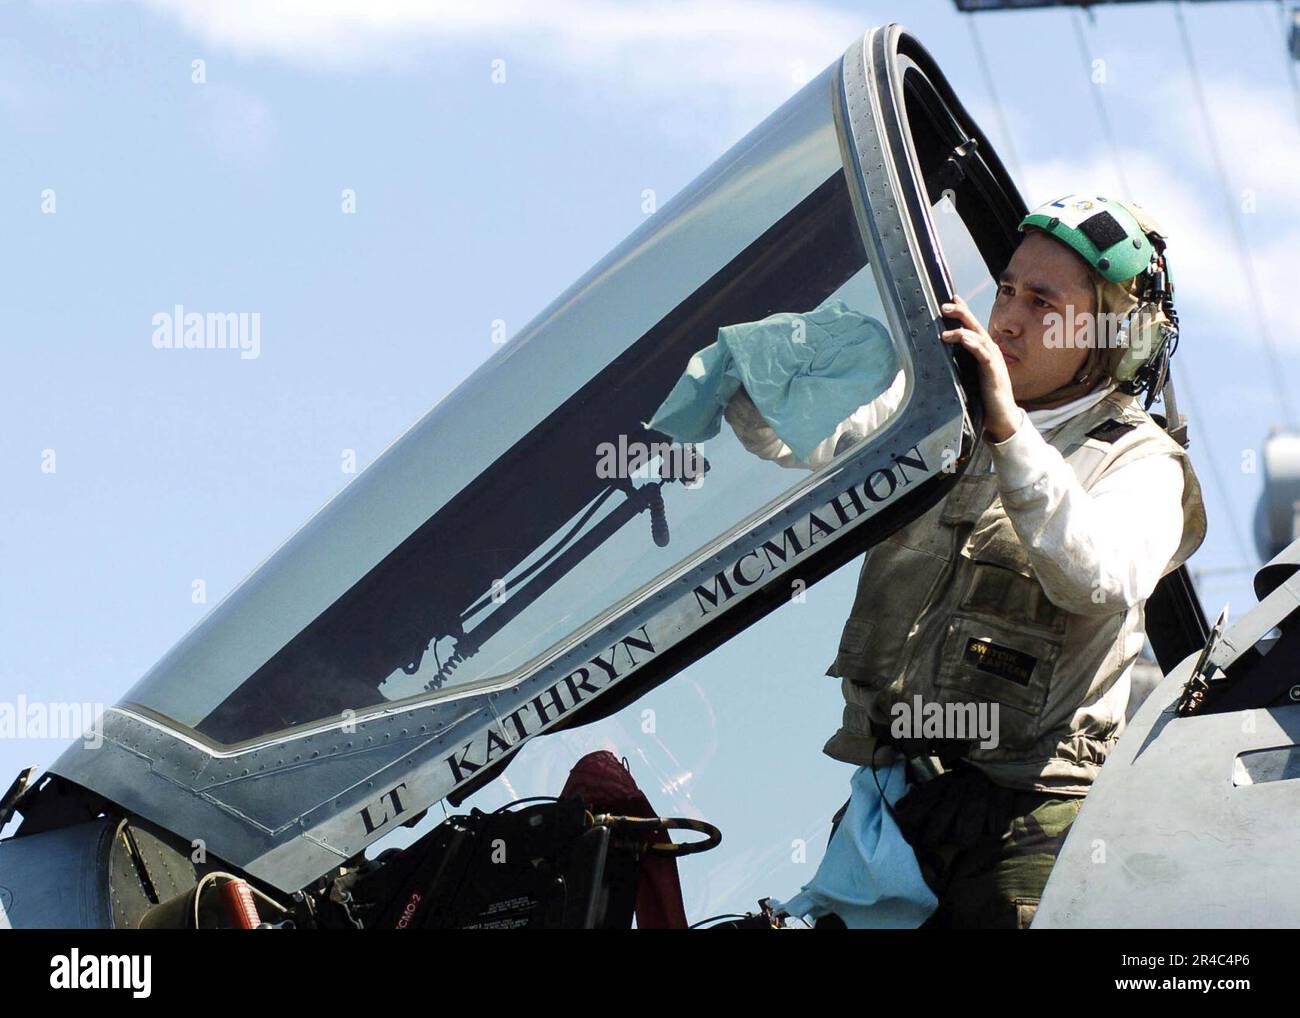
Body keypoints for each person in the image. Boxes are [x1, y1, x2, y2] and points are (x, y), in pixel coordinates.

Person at [726, 194, 1207, 928]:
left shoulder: (1143, 463)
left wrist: (1009, 432)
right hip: (895, 806)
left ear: (1114, 332)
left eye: (1043, 302)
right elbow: (800, 442)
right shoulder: (941, 412)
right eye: (1008, 289)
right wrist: (757, 372)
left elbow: (1097, 575)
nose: (1007, 317)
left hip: (1027, 830)